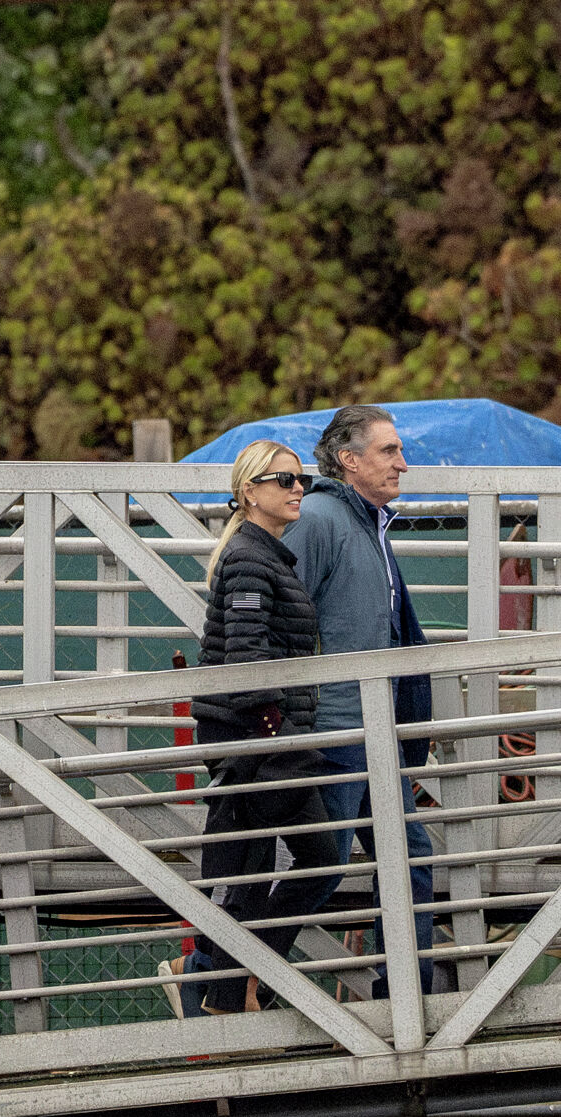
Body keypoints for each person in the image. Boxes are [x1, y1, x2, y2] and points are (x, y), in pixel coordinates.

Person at [285, 404, 440, 996]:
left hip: (373, 730)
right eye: (389, 451)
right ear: (349, 460)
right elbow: (284, 616)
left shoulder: (366, 523)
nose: (403, 463)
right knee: (322, 868)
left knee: (409, 856)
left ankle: (404, 995)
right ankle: (215, 975)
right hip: (336, 729)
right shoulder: (322, 519)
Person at [183, 440, 339, 1015]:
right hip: (256, 740)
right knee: (314, 858)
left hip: (260, 738)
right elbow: (246, 653)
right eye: (284, 480)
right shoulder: (251, 558)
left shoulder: (262, 553)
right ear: (250, 492)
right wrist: (275, 734)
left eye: (301, 480)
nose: (298, 488)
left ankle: (228, 989)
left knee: (254, 871)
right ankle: (233, 988)